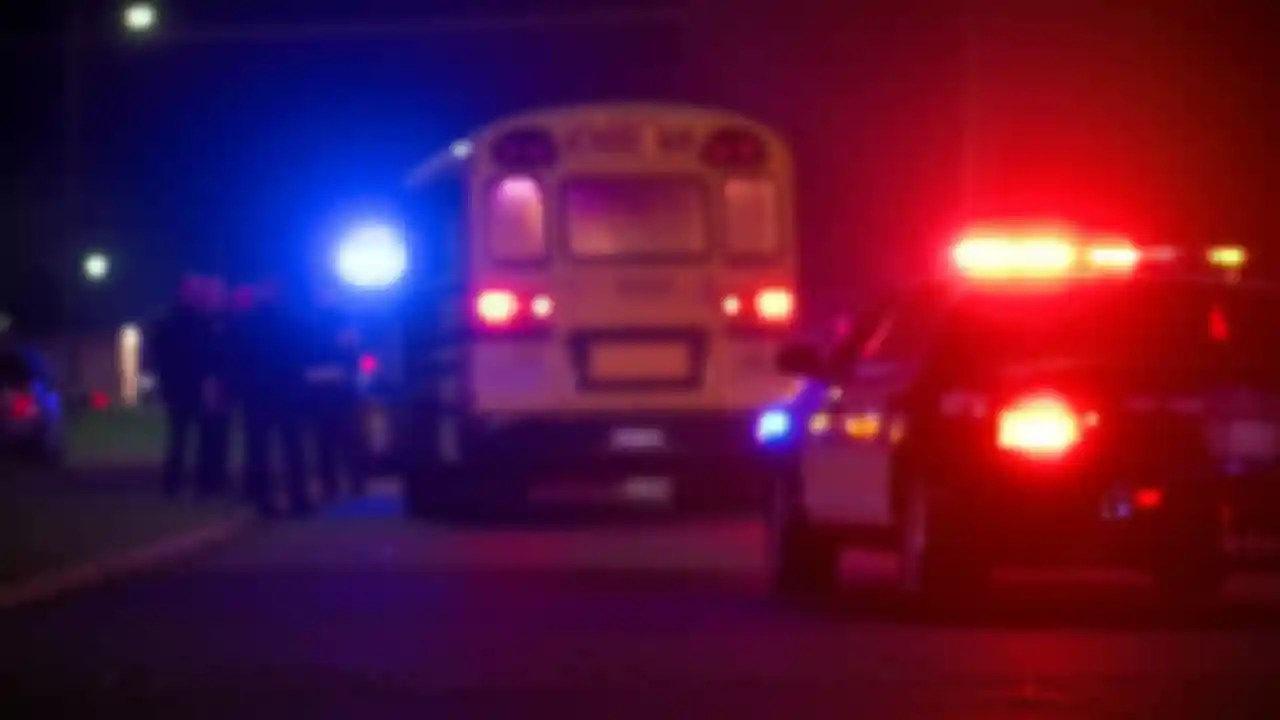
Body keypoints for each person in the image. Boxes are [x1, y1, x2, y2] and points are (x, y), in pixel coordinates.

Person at [234, 279, 311, 517]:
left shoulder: (248, 323)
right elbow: (299, 356)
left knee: (260, 446)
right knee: (290, 444)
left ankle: (262, 497)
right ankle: (297, 497)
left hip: (259, 391)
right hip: (284, 389)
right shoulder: (291, 322)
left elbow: (240, 358)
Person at [149, 276, 210, 498]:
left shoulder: (172, 321)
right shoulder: (187, 322)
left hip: (185, 385)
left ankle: (181, 484)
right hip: (185, 385)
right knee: (181, 436)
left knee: (185, 436)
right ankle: (178, 484)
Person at [303, 285, 364, 499]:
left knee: (347, 436)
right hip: (321, 388)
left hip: (340, 387)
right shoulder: (310, 322)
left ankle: (354, 482)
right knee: (325, 439)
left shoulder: (343, 320)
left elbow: (353, 351)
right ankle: (332, 484)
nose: (323, 297)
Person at [196, 276, 233, 496]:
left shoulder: (225, 320)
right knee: (209, 433)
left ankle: (218, 477)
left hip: (224, 381)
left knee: (221, 432)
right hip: (209, 381)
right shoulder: (202, 323)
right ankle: (207, 481)